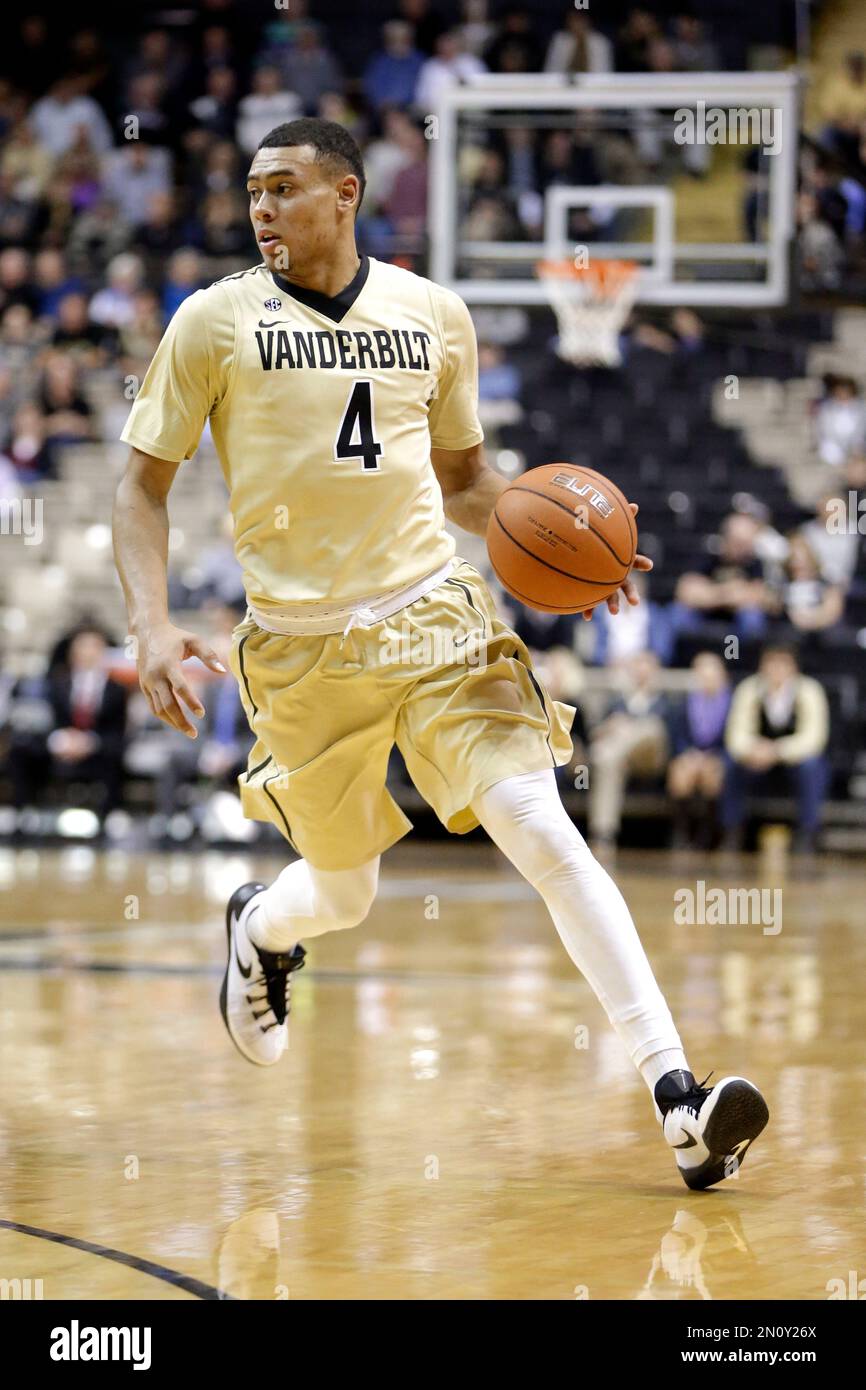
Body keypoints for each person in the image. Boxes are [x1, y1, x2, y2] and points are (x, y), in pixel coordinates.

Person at [112, 117, 768, 1190]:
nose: (262, 209)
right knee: (344, 890)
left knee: (539, 827)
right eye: (252, 192)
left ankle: (677, 1097)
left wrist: (575, 546)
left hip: (435, 622)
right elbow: (139, 485)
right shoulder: (212, 322)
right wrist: (148, 623)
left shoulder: (432, 313)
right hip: (298, 649)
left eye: (284, 188)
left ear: (347, 195)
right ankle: (261, 927)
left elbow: (467, 486)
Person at [722, 645, 830, 853]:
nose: (776, 669)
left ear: (794, 668)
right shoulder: (749, 689)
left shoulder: (809, 690)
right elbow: (735, 735)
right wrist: (752, 750)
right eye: (771, 663)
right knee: (732, 763)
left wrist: (777, 751)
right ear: (762, 666)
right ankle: (732, 830)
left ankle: (808, 832)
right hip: (757, 763)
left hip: (793, 763)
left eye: (783, 663)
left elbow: (814, 738)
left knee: (812, 766)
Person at [587, 649, 672, 851]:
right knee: (609, 762)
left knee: (651, 727)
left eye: (647, 667)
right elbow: (596, 732)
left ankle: (614, 747)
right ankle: (603, 832)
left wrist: (628, 727)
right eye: (637, 667)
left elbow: (668, 737)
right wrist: (611, 726)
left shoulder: (666, 702)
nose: (642, 672)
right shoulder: (617, 701)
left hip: (652, 758)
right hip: (623, 759)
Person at [667, 652, 732, 850]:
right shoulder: (685, 702)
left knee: (711, 777)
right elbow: (677, 735)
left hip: (718, 756)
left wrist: (713, 757)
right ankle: (682, 833)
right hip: (691, 755)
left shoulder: (732, 702)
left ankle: (709, 835)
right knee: (681, 775)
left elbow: (732, 738)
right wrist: (688, 755)